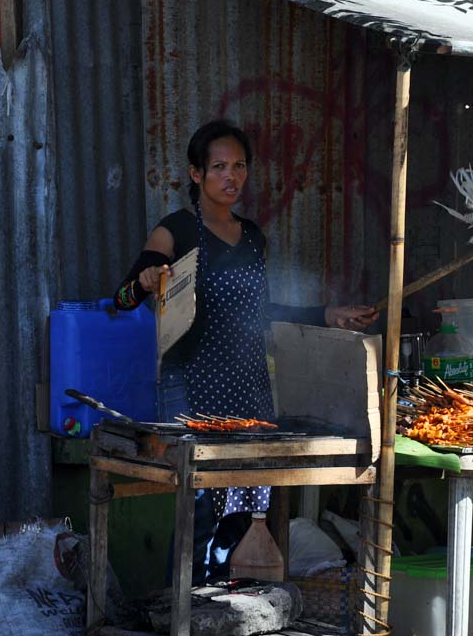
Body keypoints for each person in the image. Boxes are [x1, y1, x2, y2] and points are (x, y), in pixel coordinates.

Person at [113, 119, 377, 583]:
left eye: (239, 166)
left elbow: (262, 309)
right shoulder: (174, 230)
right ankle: (187, 608)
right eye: (218, 167)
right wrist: (146, 280)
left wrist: (326, 314)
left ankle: (230, 606)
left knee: (247, 505)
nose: (230, 177)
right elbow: (122, 297)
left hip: (249, 384)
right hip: (191, 387)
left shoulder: (254, 236)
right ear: (196, 174)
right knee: (198, 508)